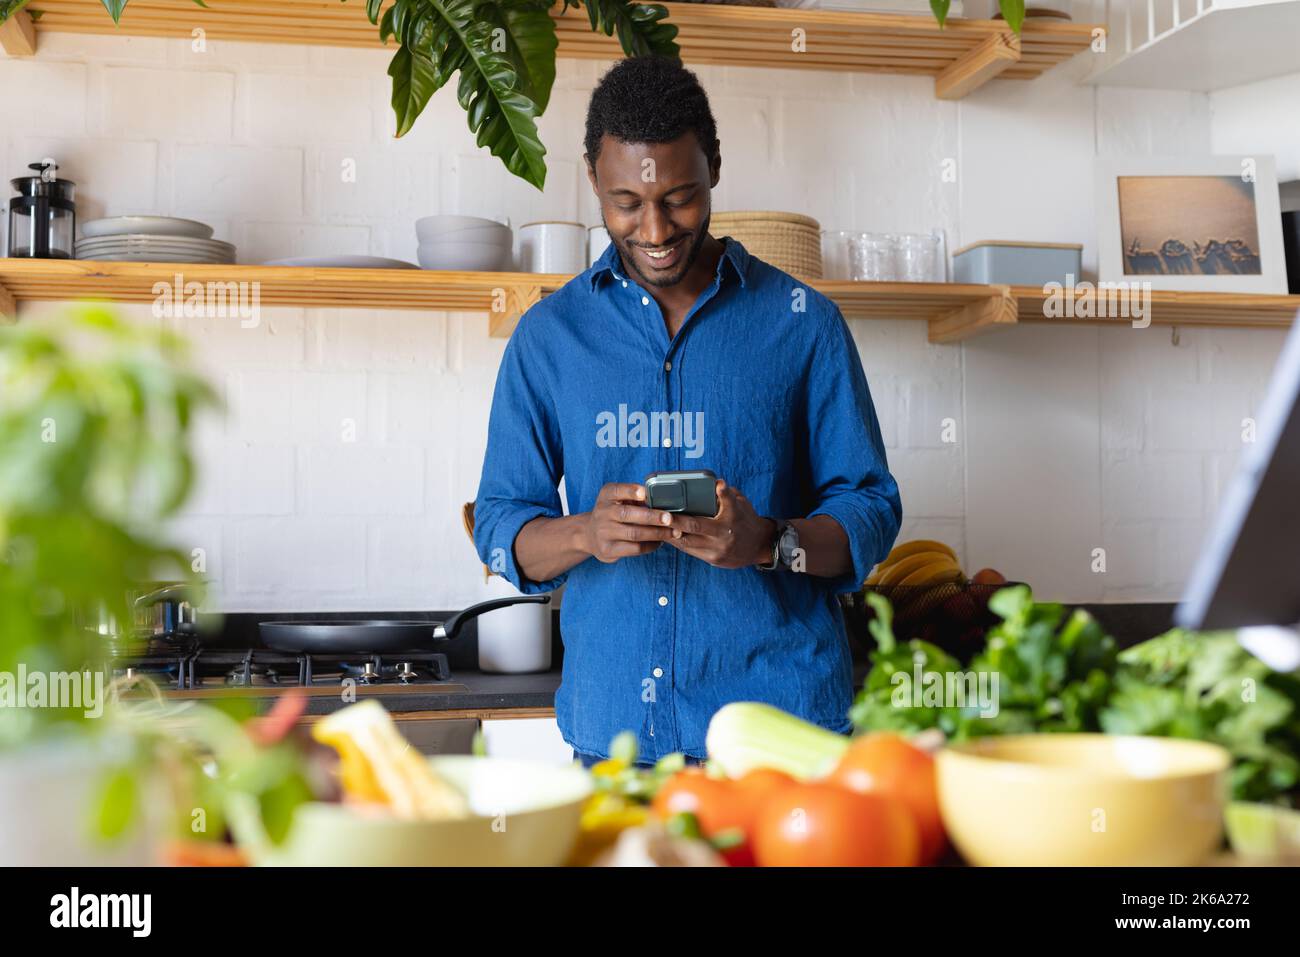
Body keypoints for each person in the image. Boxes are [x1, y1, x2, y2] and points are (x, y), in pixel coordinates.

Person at [473, 56, 901, 769]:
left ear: (715, 168)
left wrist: (768, 541)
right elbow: (499, 529)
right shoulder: (549, 337)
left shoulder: (804, 323)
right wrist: (586, 532)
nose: (655, 228)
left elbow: (871, 509)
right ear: (592, 180)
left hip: (782, 743)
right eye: (626, 202)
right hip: (616, 747)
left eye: (679, 197)